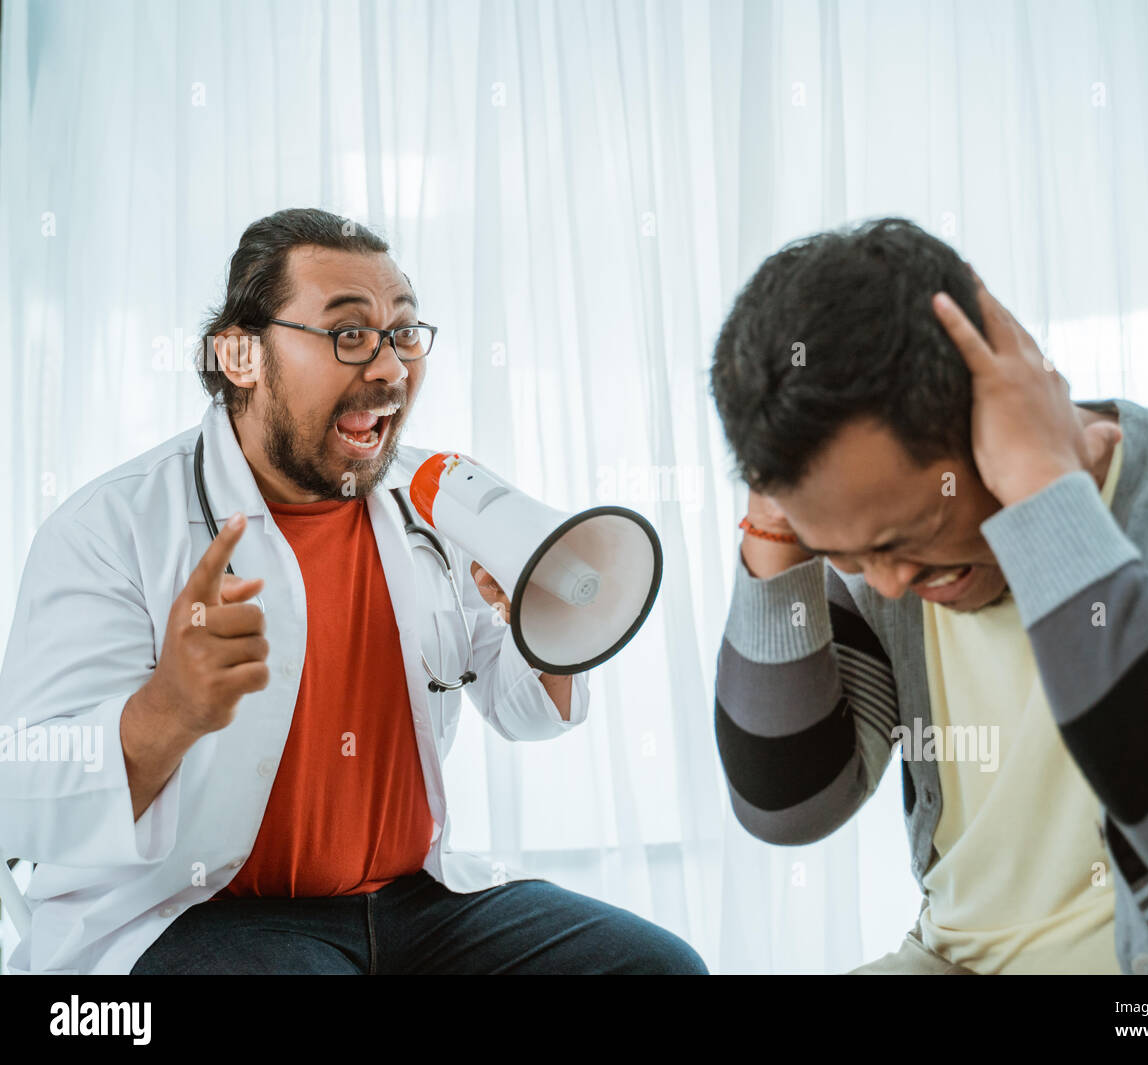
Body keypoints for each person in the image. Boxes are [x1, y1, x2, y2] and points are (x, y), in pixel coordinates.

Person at [0, 207, 707, 976]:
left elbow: (523, 710)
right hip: (204, 912)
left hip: (413, 901)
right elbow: (25, 790)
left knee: (659, 969)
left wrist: (550, 626)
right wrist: (166, 710)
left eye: (403, 332)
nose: (391, 369)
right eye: (348, 334)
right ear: (240, 354)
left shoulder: (435, 497)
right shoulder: (112, 525)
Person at [709, 216, 1148, 975]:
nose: (884, 580)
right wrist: (774, 537)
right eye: (845, 553)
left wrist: (1046, 498)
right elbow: (788, 805)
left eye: (904, 536)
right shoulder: (881, 551)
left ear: (988, 406)